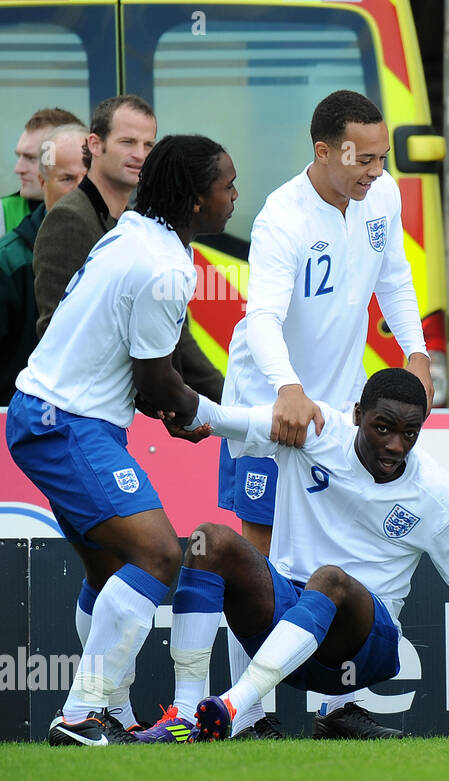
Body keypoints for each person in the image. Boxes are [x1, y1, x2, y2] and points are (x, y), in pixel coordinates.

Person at [214, 89, 439, 740]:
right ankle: (248, 716)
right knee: (257, 561)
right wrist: (286, 387)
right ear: (323, 151)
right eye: (363, 159)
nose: (376, 170)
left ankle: (332, 708)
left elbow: (394, 277)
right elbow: (262, 316)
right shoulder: (283, 216)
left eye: (383, 156)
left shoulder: (382, 197)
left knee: (335, 556)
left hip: (337, 415)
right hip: (268, 410)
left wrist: (416, 351)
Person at [5, 134, 238, 745]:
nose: (235, 198)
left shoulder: (135, 230)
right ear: (194, 200)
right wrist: (200, 417)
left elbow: (143, 373)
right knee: (160, 554)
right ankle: (81, 713)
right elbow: (156, 379)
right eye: (226, 186)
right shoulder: (164, 265)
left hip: (54, 414)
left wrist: (179, 407)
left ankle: (114, 711)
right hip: (66, 422)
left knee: (110, 571)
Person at [133, 369, 449, 743]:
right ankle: (187, 714)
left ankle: (231, 706)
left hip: (362, 649)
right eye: (383, 428)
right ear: (357, 415)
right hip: (288, 624)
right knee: (209, 540)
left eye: (410, 434)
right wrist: (171, 402)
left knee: (330, 579)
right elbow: (225, 419)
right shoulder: (316, 430)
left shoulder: (440, 498)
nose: (396, 446)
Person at [32, 95, 223, 403]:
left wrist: (228, 399)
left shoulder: (139, 222)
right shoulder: (69, 218)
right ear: (95, 144)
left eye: (149, 145)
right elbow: (57, 331)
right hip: (81, 413)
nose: (140, 154)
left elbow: (177, 339)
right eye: (128, 142)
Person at [1, 123, 87, 403]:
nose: (80, 191)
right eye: (67, 179)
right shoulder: (9, 262)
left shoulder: (124, 250)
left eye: (88, 179)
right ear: (42, 183)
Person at [4, 107, 81, 233]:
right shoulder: (3, 213)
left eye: (31, 158)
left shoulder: (108, 214)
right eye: (19, 156)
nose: (18, 169)